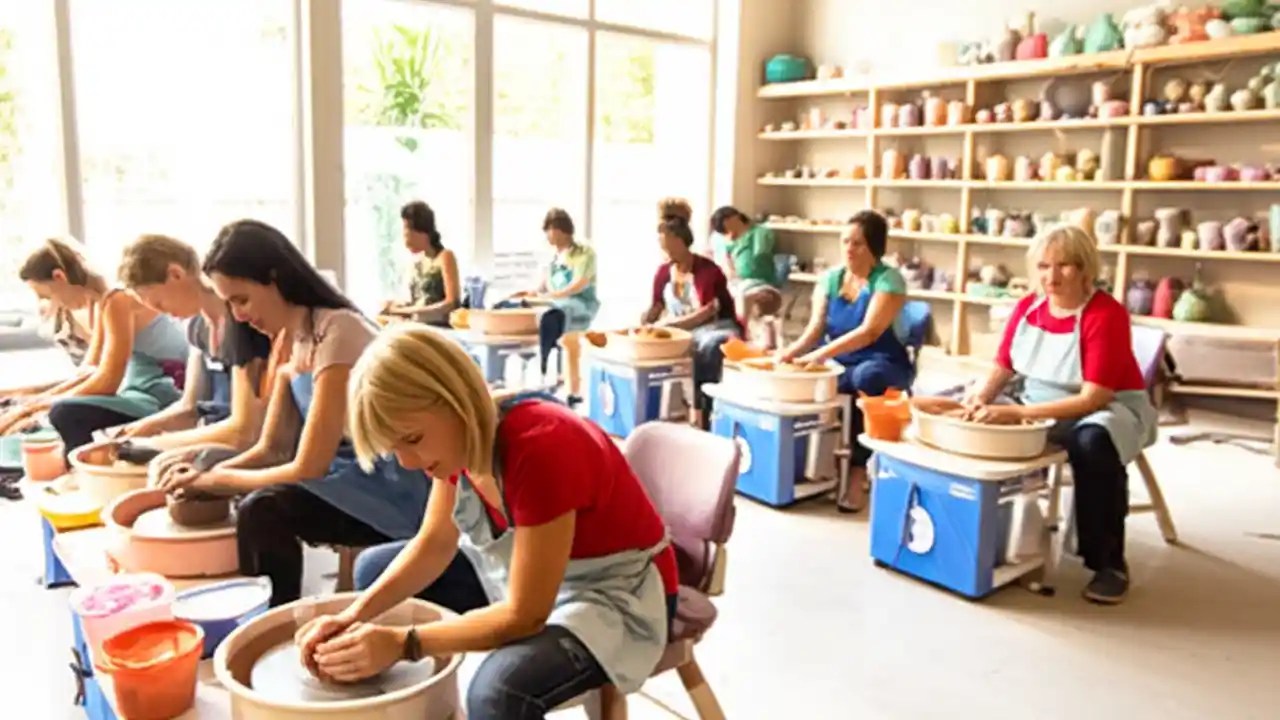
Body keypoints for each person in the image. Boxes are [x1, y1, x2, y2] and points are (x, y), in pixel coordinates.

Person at [294, 325, 676, 720]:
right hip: (538, 575)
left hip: (617, 592)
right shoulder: (455, 444)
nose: (408, 462)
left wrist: (404, 643)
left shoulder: (542, 446)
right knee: (372, 569)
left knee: (498, 694)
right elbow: (434, 545)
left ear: (455, 402)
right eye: (395, 449)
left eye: (412, 439)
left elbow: (525, 615)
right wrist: (353, 614)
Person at [155, 219, 429, 607]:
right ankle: (263, 619)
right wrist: (205, 475)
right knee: (247, 496)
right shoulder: (286, 337)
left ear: (275, 278)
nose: (238, 315)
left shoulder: (339, 332)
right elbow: (272, 447)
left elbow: (308, 466)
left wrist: (219, 481)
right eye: (229, 303)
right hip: (350, 472)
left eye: (241, 299)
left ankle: (276, 625)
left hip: (394, 484)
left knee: (262, 508)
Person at [962, 223, 1156, 605]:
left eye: (1065, 265)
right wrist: (980, 400)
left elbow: (1093, 398)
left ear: (1086, 269)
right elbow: (1004, 366)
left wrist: (1020, 417)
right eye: (1044, 266)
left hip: (1107, 407)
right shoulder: (1028, 308)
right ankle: (995, 541)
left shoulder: (1106, 314)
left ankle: (1109, 563)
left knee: (1093, 444)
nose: (1052, 276)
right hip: (1036, 400)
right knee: (966, 417)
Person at [0, 238, 189, 455]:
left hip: (164, 394)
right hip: (141, 392)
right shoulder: (105, 303)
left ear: (59, 277)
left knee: (64, 413)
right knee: (45, 413)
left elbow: (108, 381)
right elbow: (88, 372)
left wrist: (36, 407)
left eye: (45, 295)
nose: (47, 304)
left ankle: (82, 472)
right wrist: (28, 403)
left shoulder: (119, 300)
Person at [778, 210, 913, 512]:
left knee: (866, 378)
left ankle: (857, 471)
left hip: (884, 361)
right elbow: (815, 330)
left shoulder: (889, 280)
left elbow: (869, 332)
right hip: (840, 360)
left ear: (875, 248)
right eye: (845, 242)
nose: (849, 249)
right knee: (803, 382)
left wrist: (817, 357)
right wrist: (788, 354)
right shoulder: (829, 278)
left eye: (858, 244)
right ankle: (813, 462)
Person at [112, 234, 285, 452]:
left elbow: (244, 429)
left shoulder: (243, 322)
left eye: (159, 302)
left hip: (245, 444)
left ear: (176, 274)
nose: (160, 313)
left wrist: (150, 444)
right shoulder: (197, 327)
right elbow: (190, 406)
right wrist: (135, 430)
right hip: (216, 433)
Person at [641, 211, 741, 430]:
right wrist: (645, 321)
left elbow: (708, 311)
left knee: (708, 346)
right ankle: (649, 414)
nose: (663, 248)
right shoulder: (663, 272)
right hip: (681, 328)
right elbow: (657, 305)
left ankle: (702, 413)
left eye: (665, 242)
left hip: (716, 326)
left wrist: (671, 326)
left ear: (679, 241)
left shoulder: (707, 270)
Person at [508, 208, 599, 404]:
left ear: (559, 229)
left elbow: (581, 282)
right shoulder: (552, 258)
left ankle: (565, 383)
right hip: (554, 302)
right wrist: (528, 293)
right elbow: (541, 286)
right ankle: (544, 370)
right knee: (532, 310)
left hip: (579, 304)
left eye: (549, 230)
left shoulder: (584, 253)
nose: (547, 236)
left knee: (561, 321)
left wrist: (556, 295)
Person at [709, 205, 782, 344]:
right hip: (738, 282)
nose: (728, 232)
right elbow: (725, 259)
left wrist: (740, 241)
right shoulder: (729, 242)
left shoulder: (760, 233)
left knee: (744, 297)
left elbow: (760, 255)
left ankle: (742, 333)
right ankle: (727, 333)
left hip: (760, 281)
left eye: (727, 227)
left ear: (734, 218)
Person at [382, 201, 460, 327]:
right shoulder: (417, 263)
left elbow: (451, 304)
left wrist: (400, 311)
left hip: (439, 329)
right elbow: (417, 302)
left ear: (422, 231)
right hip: (417, 325)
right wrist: (395, 305)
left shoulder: (445, 256)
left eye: (408, 230)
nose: (405, 238)